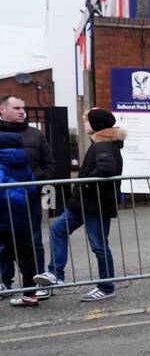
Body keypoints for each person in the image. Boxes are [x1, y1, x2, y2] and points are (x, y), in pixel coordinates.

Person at [35, 108, 124, 302]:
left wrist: (84, 181)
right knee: (58, 229)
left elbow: (106, 168)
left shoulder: (103, 146)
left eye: (86, 121)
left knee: (99, 246)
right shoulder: (100, 144)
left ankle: (107, 286)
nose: (83, 124)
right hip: (83, 203)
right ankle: (55, 274)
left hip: (96, 204)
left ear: (97, 125)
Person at [0, 95, 54, 297]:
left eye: (23, 108)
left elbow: (49, 164)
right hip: (2, 204)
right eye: (16, 108)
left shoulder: (35, 134)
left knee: (34, 241)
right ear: (2, 110)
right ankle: (5, 282)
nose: (22, 111)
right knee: (4, 245)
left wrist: (37, 185)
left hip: (29, 200)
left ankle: (36, 282)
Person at [0, 132, 38, 307]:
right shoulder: (25, 163)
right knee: (24, 256)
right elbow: (31, 189)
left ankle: (4, 284)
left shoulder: (2, 162)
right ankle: (30, 294)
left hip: (2, 217)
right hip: (21, 217)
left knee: (6, 253)